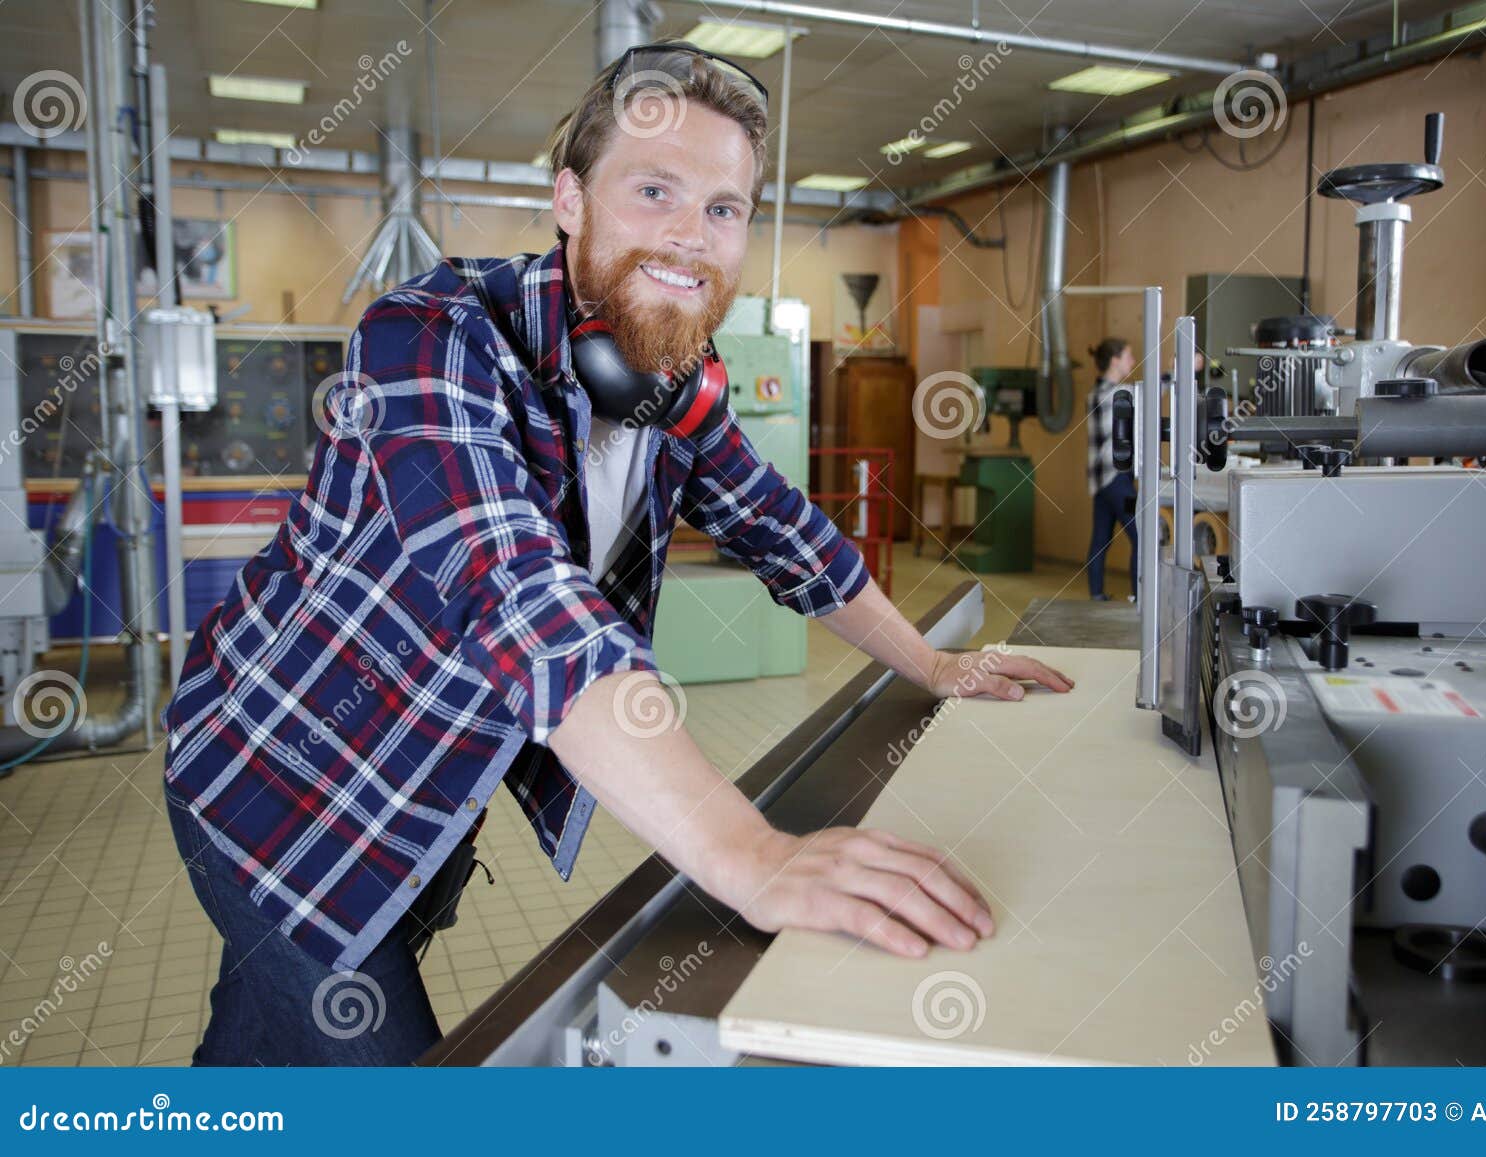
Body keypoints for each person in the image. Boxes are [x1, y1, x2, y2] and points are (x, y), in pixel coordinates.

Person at [159, 40, 1077, 1066]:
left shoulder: (669, 378)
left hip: (411, 811)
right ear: (569, 200)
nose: (692, 236)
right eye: (653, 190)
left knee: (256, 1056)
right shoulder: (430, 339)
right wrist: (750, 852)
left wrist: (935, 661)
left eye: (724, 208)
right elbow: (518, 594)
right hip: (283, 785)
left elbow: (787, 529)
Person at [1085, 337, 1138, 602]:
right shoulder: (1115, 395)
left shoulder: (1097, 393)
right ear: (1115, 360)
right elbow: (1148, 392)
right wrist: (1174, 373)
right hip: (1117, 480)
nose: (1133, 361)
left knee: (1100, 541)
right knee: (1142, 535)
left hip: (1100, 482)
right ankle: (1140, 598)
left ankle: (1096, 596)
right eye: (1128, 356)